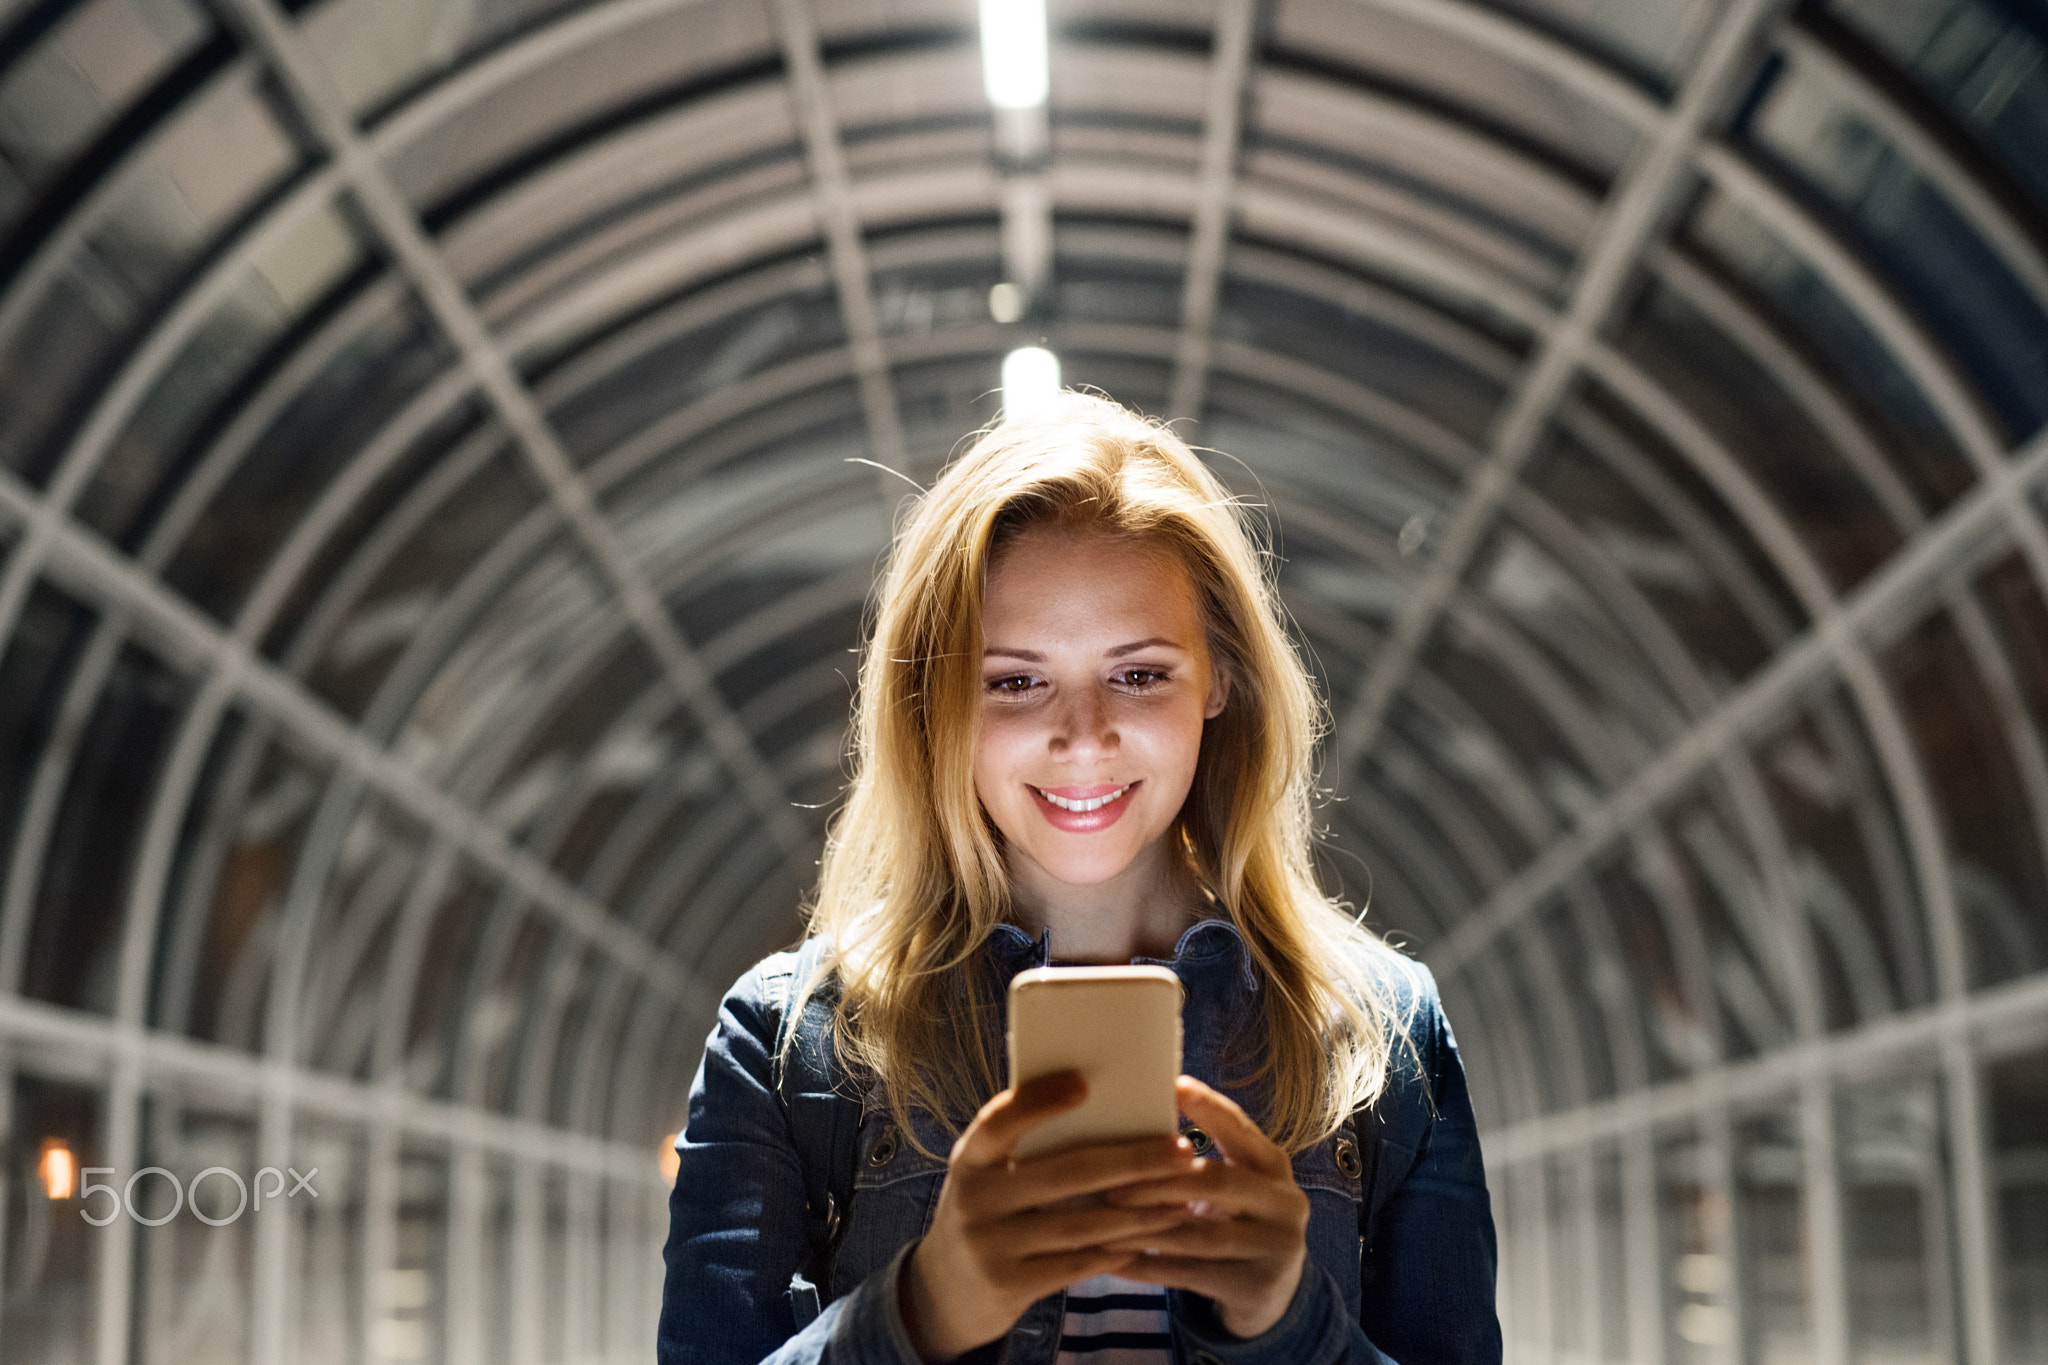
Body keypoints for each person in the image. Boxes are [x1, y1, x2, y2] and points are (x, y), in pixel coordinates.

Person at [658, 394, 1499, 1365]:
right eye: (1014, 680)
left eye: (1138, 675)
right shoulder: (786, 1046)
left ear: (1219, 679)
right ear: (937, 703)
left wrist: (1288, 1323)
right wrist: (921, 1313)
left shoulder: (1383, 1038)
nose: (1084, 735)